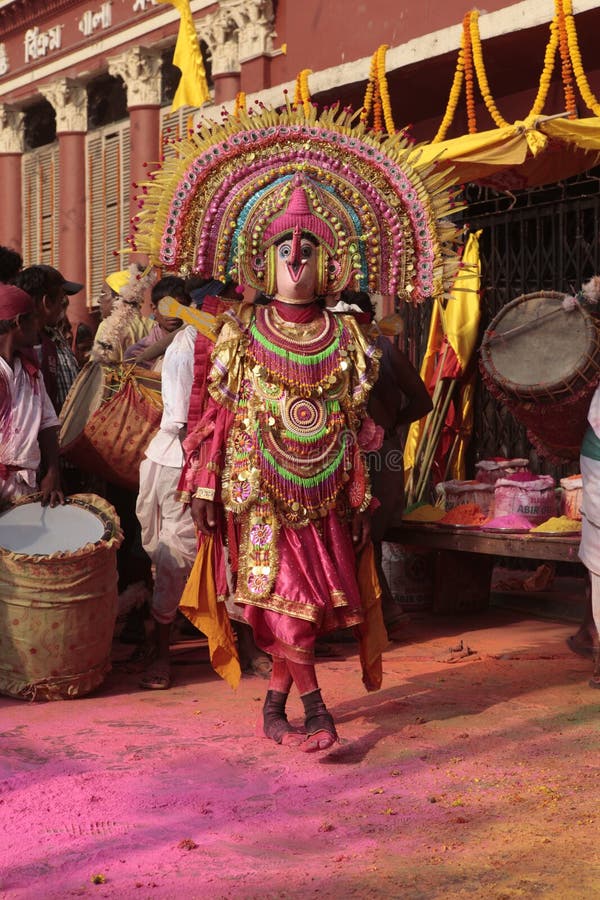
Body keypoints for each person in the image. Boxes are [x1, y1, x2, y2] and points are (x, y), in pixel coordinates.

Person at [132, 102, 460, 752]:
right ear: (263, 257)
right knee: (283, 602)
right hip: (258, 494)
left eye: (308, 247)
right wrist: (203, 485)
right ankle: (318, 711)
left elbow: (359, 421)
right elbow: (218, 416)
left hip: (327, 493)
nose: (296, 257)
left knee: (303, 606)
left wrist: (366, 494)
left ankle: (273, 703)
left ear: (329, 260)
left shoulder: (347, 338)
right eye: (285, 246)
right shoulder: (242, 332)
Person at [331, 290, 433, 640]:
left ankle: (381, 611)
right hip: (383, 451)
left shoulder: (353, 350)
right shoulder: (386, 349)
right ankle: (381, 612)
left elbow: (422, 402)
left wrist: (384, 428)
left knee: (359, 536)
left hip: (361, 455)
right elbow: (422, 402)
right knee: (366, 537)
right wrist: (392, 425)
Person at [135, 320, 197, 689]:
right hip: (183, 460)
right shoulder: (186, 346)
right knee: (173, 557)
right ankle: (161, 652)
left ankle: (247, 645)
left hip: (212, 458)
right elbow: (184, 422)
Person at [0, 283, 63, 507]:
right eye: (33, 318)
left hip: (26, 484)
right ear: (18, 322)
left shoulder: (32, 372)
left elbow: (47, 422)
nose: (38, 325)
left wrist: (53, 472)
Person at [14, 264, 83, 413]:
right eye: (60, 300)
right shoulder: (12, 343)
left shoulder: (51, 343)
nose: (62, 308)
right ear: (46, 303)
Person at [124, 275, 191, 371]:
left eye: (179, 307)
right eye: (167, 307)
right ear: (154, 309)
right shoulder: (135, 354)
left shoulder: (195, 345)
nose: (173, 314)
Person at [91, 265, 155, 363]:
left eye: (103, 294)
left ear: (118, 298)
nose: (99, 300)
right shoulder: (153, 326)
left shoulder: (107, 328)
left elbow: (99, 370)